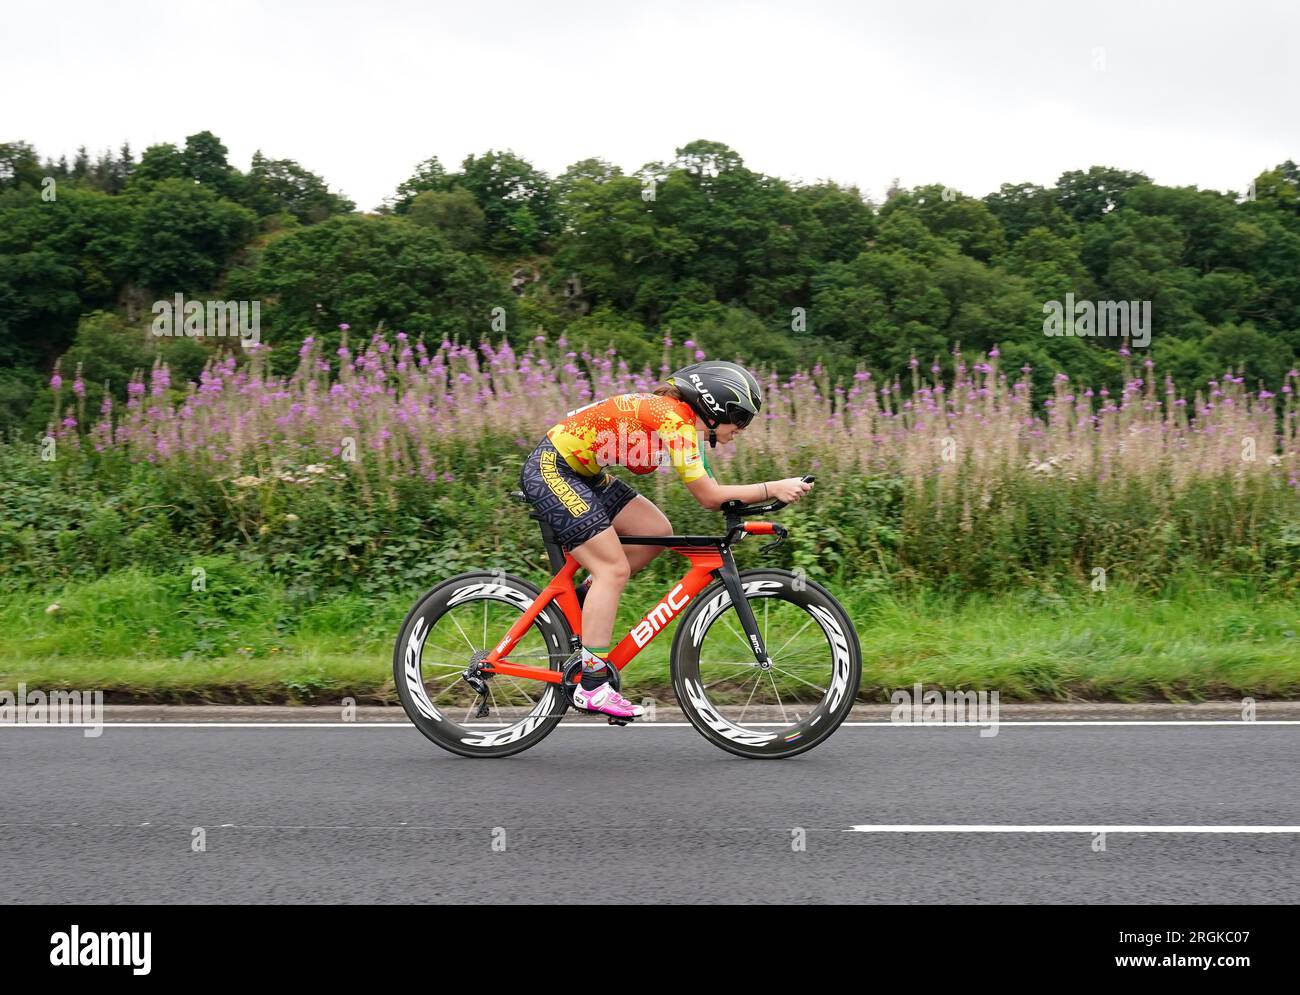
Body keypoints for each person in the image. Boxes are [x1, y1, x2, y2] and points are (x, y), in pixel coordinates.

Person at [517, 360, 813, 719]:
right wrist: (773, 487)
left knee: (657, 532)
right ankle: (592, 684)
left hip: (585, 475)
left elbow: (714, 492)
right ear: (716, 406)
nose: (742, 429)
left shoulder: (681, 422)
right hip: (553, 469)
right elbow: (708, 496)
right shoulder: (674, 418)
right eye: (741, 418)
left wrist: (754, 498)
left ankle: (581, 603)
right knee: (612, 569)